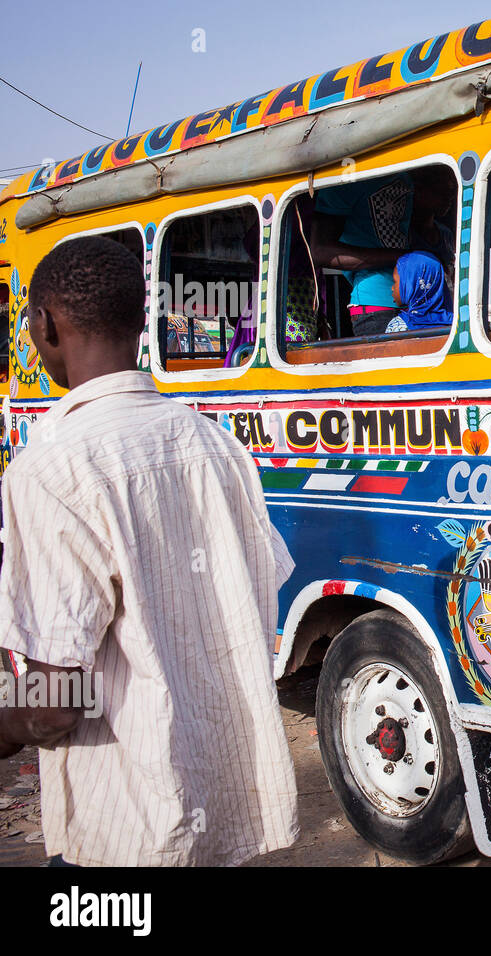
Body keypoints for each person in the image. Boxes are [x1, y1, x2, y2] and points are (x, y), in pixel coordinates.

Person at [0, 236, 299, 866]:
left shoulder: (51, 469)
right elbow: (251, 596)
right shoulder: (214, 445)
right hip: (225, 819)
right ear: (142, 321)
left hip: (126, 830)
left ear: (44, 326)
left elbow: (54, 703)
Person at [311, 172, 414, 336]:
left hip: (413, 301)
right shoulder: (345, 177)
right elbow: (320, 251)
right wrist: (402, 256)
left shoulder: (405, 172)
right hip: (377, 305)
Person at [385, 251, 453, 333]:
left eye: (395, 282)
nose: (392, 288)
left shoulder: (398, 326)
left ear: (411, 285)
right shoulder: (456, 322)